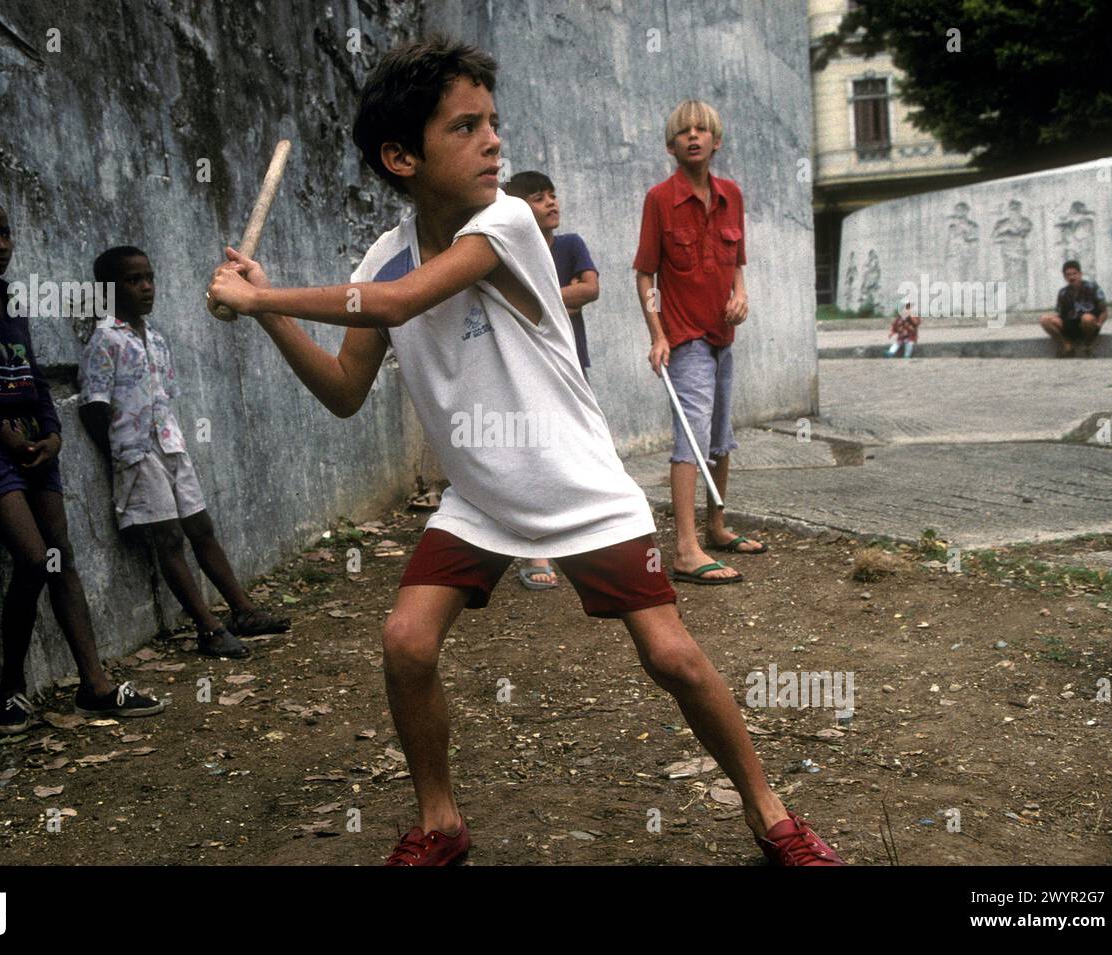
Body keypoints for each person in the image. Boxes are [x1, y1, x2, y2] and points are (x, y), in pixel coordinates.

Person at [205, 35, 844, 867]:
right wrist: (265, 314)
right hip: (480, 499)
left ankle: (772, 816)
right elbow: (343, 390)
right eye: (466, 127)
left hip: (578, 488)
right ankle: (441, 822)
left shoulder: (504, 222)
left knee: (674, 657)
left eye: (492, 122)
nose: (494, 141)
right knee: (405, 641)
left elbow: (395, 305)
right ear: (401, 156)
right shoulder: (382, 253)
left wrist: (262, 290)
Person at [0, 195, 164, 731]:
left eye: (5, 232)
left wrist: (51, 434)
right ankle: (10, 688)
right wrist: (2, 434)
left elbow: (30, 379)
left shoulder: (12, 301)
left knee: (60, 557)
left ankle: (95, 686)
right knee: (32, 559)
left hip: (33, 445)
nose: (1, 244)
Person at [79, 247, 289, 658]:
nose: (145, 287)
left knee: (201, 527)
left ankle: (242, 610)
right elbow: (94, 406)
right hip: (137, 453)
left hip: (170, 444)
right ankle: (207, 628)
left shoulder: (154, 338)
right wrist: (121, 456)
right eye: (133, 280)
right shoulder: (105, 338)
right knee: (169, 537)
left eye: (149, 277)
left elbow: (163, 396)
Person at [633, 99, 767, 589]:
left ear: (716, 140)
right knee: (690, 438)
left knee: (720, 435)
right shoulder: (659, 199)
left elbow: (737, 263)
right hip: (684, 339)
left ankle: (716, 527)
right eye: (683, 132)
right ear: (672, 146)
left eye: (702, 130)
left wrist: (741, 295)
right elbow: (645, 272)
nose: (693, 136)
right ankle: (686, 550)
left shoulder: (732, 195)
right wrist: (658, 335)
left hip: (721, 337)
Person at [502, 169, 600, 590]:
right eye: (540, 198)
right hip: (528, 370)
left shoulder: (572, 245)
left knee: (580, 447)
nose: (552, 203)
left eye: (553, 196)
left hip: (572, 366)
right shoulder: (511, 253)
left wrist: (541, 302)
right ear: (520, 209)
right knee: (533, 452)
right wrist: (564, 298)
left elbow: (592, 290)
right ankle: (535, 546)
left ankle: (582, 536)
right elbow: (509, 304)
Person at [1038, 260, 1108, 358]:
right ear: (1064, 276)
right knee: (1044, 319)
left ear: (1080, 274)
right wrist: (1054, 319)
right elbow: (1059, 313)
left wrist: (1099, 324)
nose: (1072, 277)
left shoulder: (1093, 288)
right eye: (1068, 274)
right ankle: (1067, 347)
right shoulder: (1063, 292)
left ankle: (1087, 345)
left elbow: (1104, 311)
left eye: (1074, 273)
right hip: (1070, 323)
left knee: (1086, 318)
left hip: (1088, 324)